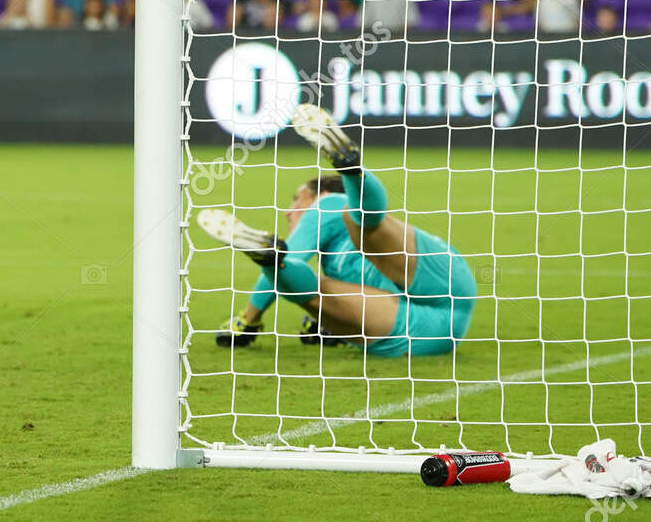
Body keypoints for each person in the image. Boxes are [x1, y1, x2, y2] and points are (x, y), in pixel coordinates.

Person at [202, 104, 478, 357]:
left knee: (334, 241)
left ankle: (348, 172)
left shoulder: (327, 205)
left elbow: (293, 258)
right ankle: (351, 169)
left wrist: (247, 319)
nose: (288, 211)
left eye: (297, 199)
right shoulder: (333, 258)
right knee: (316, 283)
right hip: (435, 333)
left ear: (319, 195)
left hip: (439, 283)